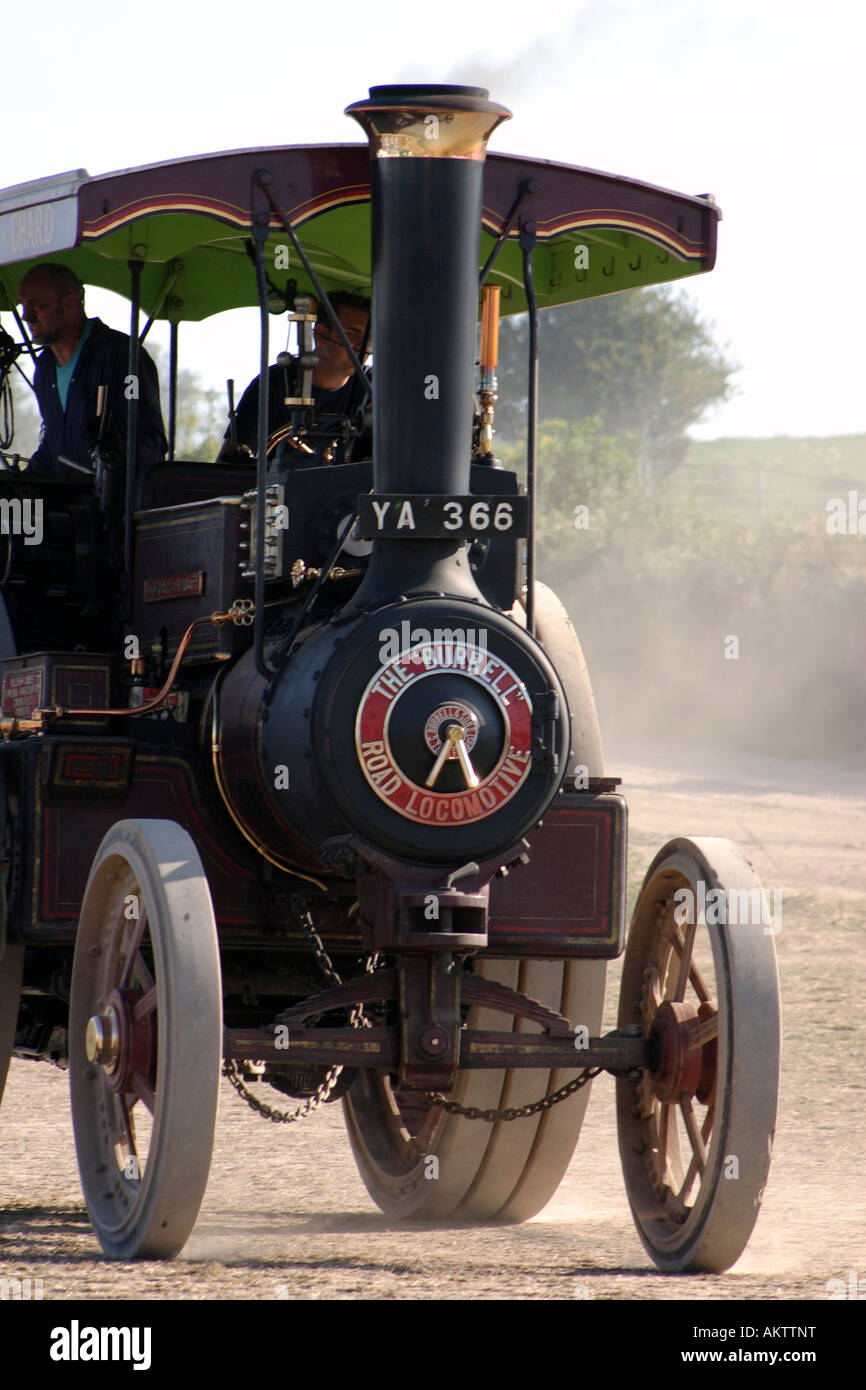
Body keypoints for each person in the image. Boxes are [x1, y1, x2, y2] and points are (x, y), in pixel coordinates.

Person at [17, 262, 166, 484]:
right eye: (23, 305)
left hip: (112, 513)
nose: (26, 316)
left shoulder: (123, 356)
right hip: (67, 511)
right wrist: (18, 485)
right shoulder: (45, 368)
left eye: (39, 306)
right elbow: (54, 447)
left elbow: (148, 441)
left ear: (69, 303)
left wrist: (111, 462)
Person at [218, 291, 370, 467]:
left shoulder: (375, 387)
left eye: (368, 337)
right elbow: (229, 465)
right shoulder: (275, 383)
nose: (363, 346)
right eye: (352, 334)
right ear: (320, 334)